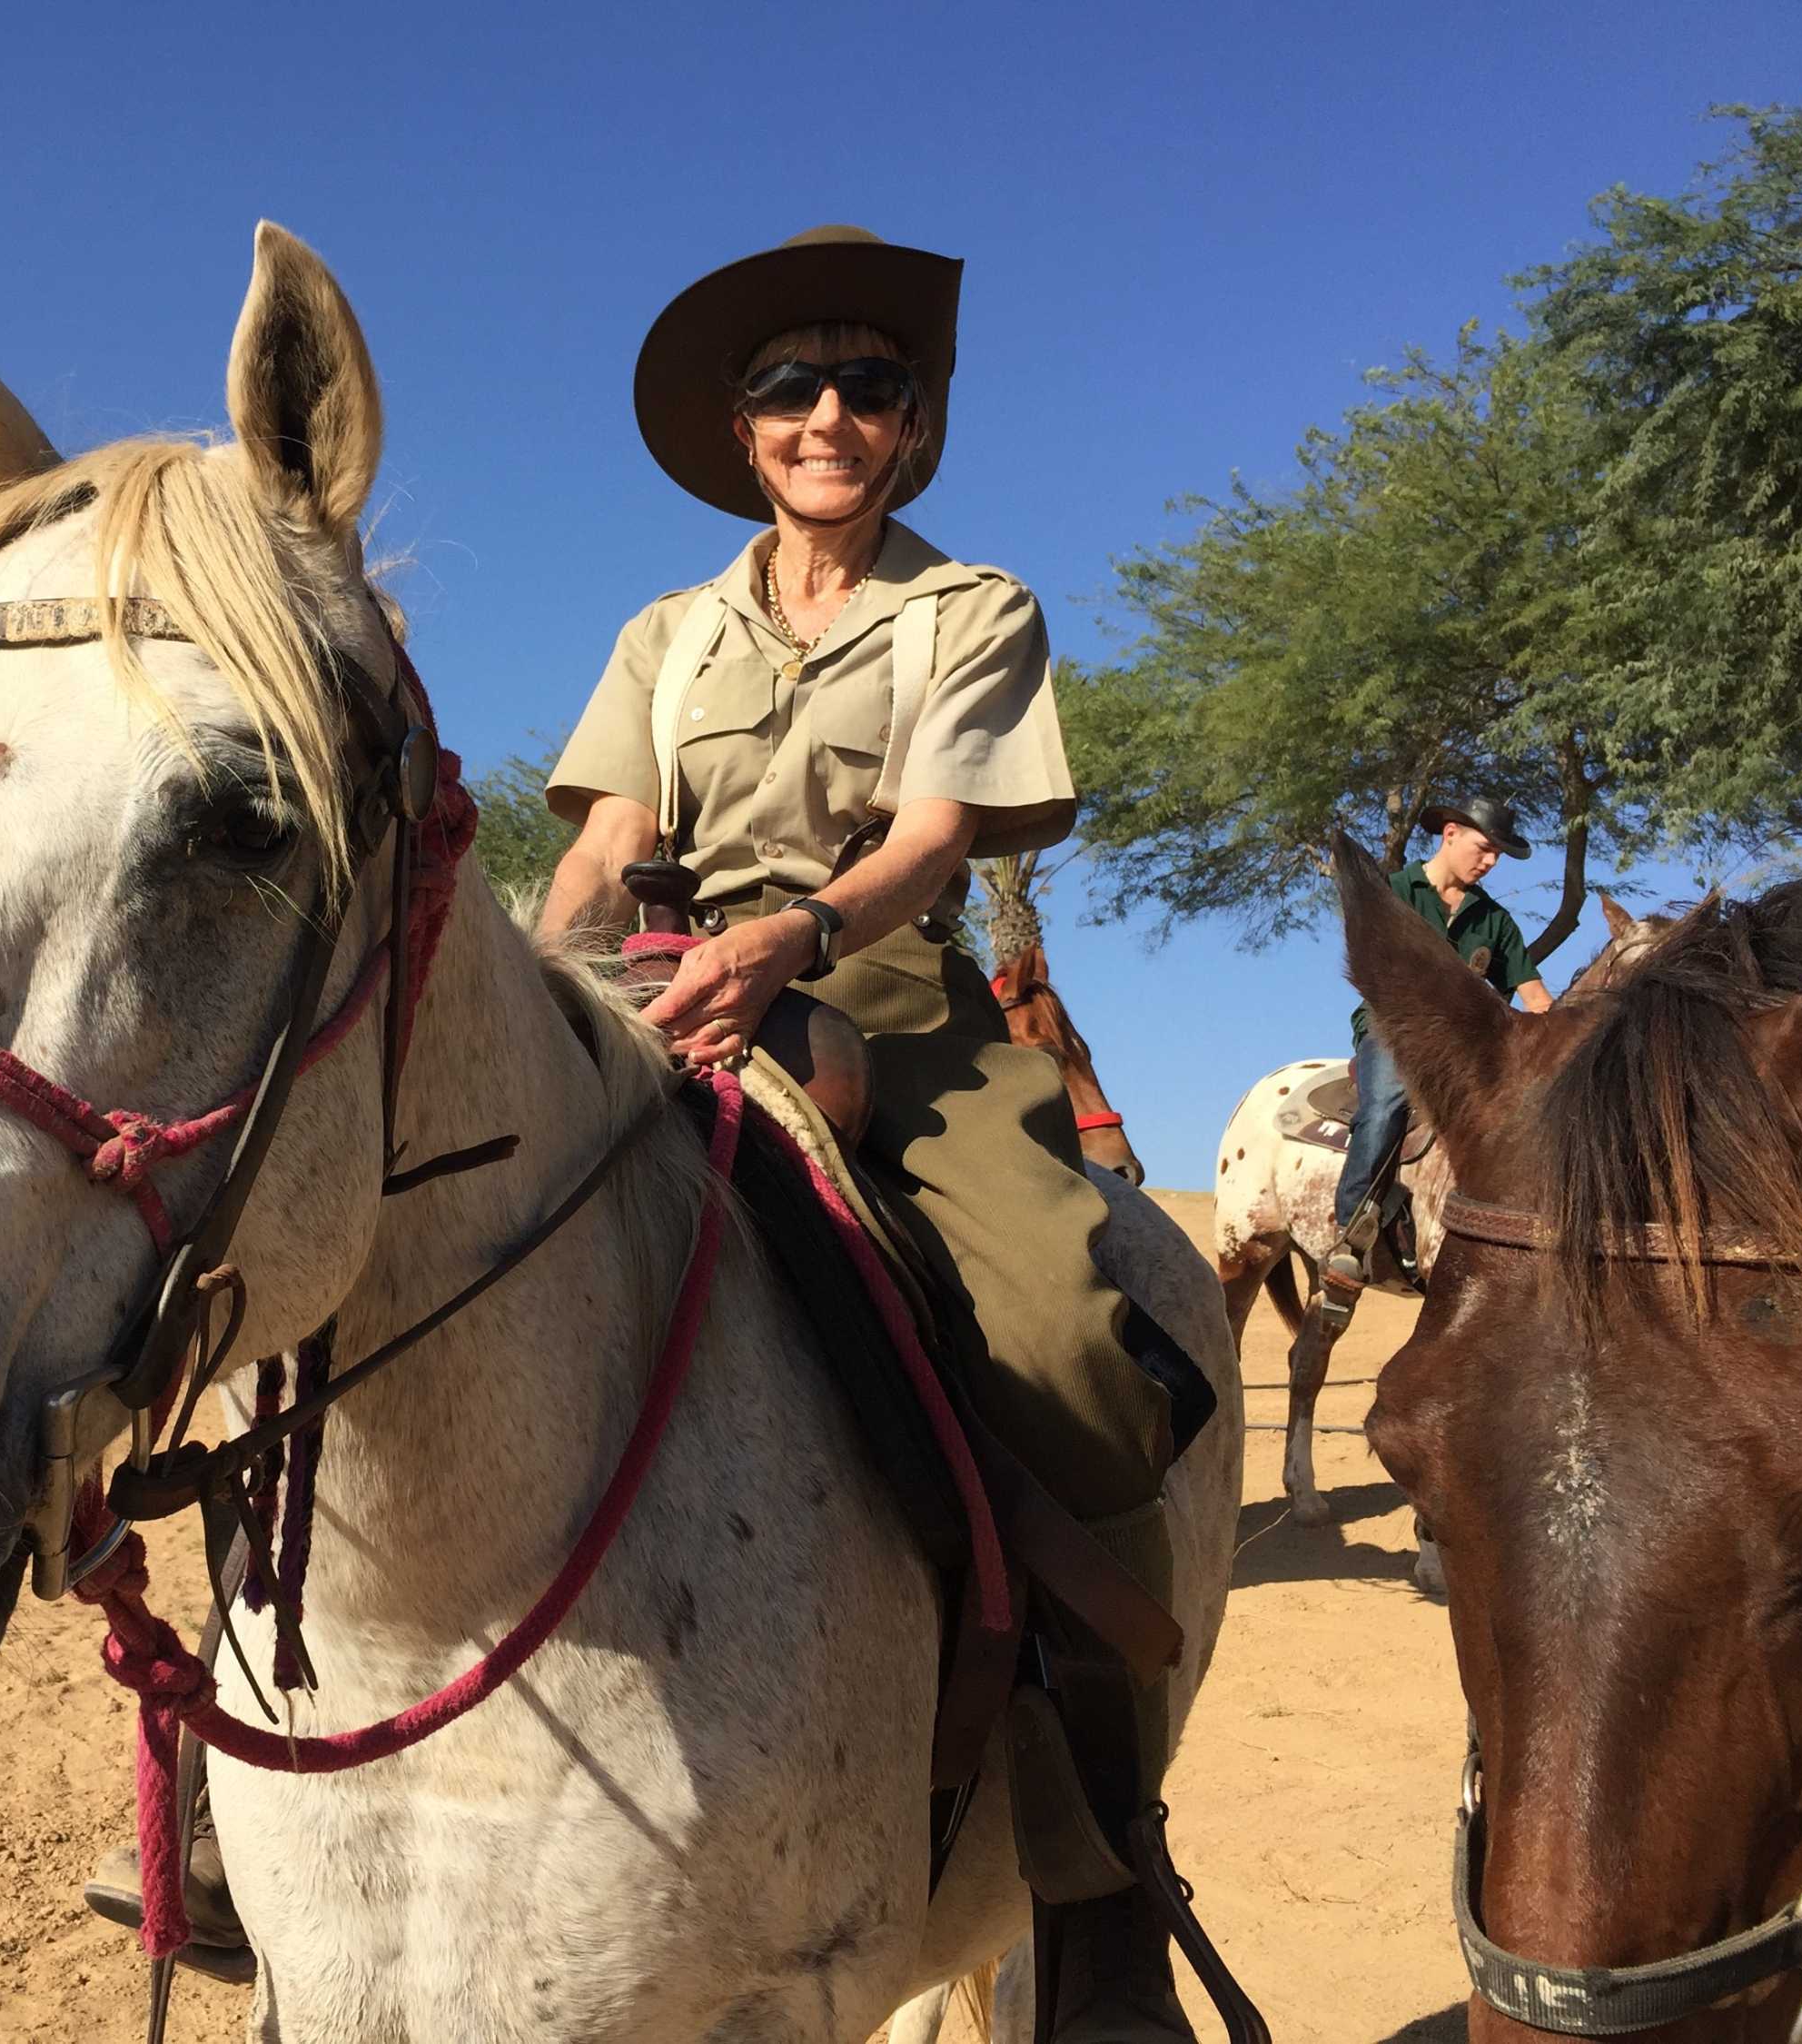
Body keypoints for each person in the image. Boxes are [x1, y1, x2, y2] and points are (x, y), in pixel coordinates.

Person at [539, 224, 1215, 2044]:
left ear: (911, 426)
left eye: (871, 385)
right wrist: (529, 995)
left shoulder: (970, 609)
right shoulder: (665, 635)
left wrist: (801, 935)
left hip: (885, 1007)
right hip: (656, 988)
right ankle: (235, 1799)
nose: (831, 411)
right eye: (791, 385)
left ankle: (1099, 1884)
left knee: (1074, 1350)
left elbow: (933, 843)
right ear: (742, 430)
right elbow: (605, 847)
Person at [1320, 797, 1553, 1318]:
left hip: (1468, 1044)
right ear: (1450, 834)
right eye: (1485, 848)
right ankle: (1351, 1229)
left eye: (1498, 855)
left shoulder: (1494, 921)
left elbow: (1534, 994)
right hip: (1395, 1028)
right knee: (1383, 1106)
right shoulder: (1396, 894)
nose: (1490, 863)